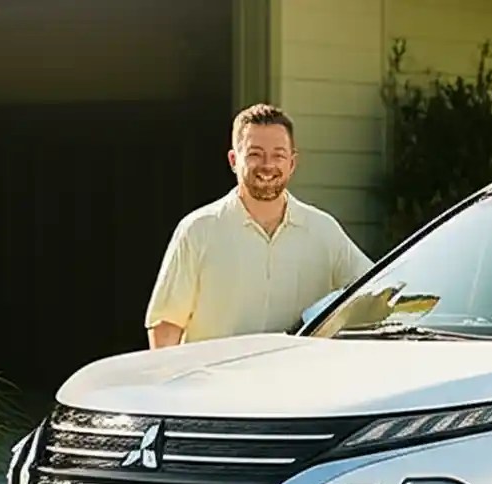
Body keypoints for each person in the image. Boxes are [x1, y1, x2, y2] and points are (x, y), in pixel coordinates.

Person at [144, 103, 373, 349]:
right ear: (234, 160)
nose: (267, 165)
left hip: (298, 384)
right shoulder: (197, 230)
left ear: (292, 163)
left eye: (278, 155)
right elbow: (166, 325)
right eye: (255, 154)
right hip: (216, 385)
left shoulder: (324, 231)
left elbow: (376, 294)